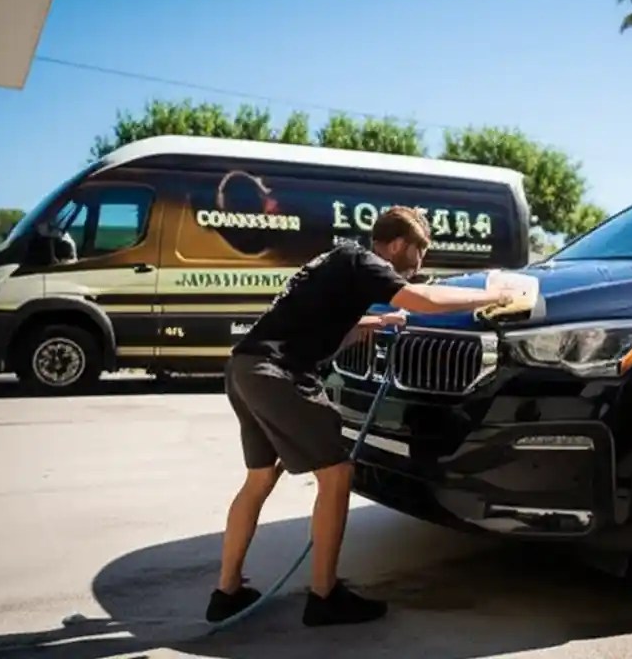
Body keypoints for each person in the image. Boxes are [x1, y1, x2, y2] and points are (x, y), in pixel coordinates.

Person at [205, 206, 514, 628]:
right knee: (337, 474)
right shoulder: (367, 263)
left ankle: (226, 592)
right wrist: (496, 295)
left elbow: (322, 319)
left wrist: (378, 320)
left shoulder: (339, 259)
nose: (418, 264)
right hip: (278, 374)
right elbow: (424, 299)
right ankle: (325, 596)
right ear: (400, 245)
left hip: (244, 368)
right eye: (419, 253)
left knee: (260, 478)